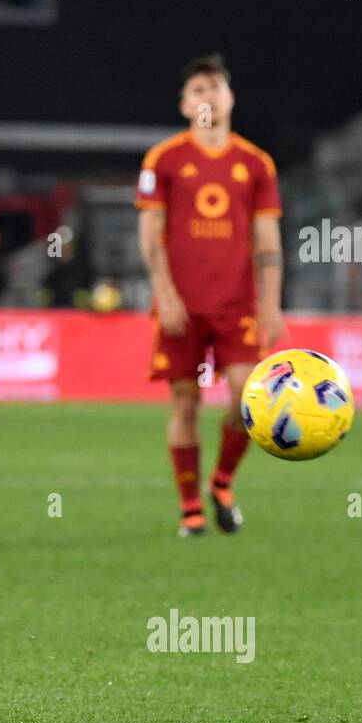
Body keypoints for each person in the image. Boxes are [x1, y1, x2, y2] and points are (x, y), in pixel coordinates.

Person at [135, 54, 284, 537]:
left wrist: (271, 304)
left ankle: (222, 482)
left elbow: (267, 242)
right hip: (181, 303)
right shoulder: (164, 159)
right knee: (185, 403)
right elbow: (151, 234)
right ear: (185, 104)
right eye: (198, 90)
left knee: (246, 397)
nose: (209, 97)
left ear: (230, 98)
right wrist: (166, 294)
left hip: (237, 304)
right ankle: (190, 509)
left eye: (216, 88)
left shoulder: (256, 164)